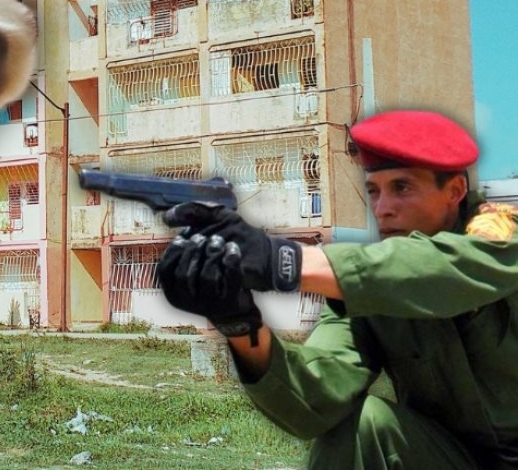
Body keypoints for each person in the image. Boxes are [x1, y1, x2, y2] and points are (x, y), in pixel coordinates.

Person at [156, 110, 518, 469]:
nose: (382, 208)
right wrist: (239, 323)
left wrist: (280, 260)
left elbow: (443, 270)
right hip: (449, 458)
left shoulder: (501, 234)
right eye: (373, 191)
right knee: (361, 424)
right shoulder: (369, 286)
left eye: (402, 187)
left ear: (454, 191)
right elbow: (315, 399)